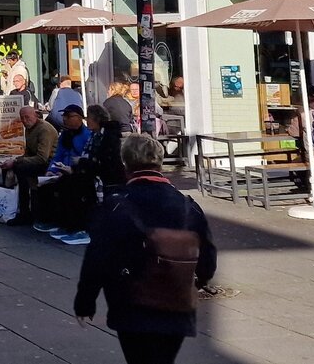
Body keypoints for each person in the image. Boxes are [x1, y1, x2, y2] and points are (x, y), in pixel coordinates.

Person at [75, 134, 217, 364]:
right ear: (159, 163)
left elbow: (97, 257)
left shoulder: (115, 205)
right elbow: (208, 259)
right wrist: (194, 281)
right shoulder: (187, 206)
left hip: (131, 305)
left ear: (126, 164)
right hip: (175, 303)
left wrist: (85, 301)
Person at [0, 104, 58, 225]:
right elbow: (27, 153)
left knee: (20, 169)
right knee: (10, 168)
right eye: (22, 118)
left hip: (48, 164)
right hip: (36, 161)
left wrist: (17, 161)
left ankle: (24, 212)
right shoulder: (29, 129)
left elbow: (42, 158)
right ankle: (8, 207)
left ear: (35, 116)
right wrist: (12, 161)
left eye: (28, 117)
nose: (25, 121)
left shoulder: (44, 129)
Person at [34, 104, 99, 241]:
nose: (65, 119)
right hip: (62, 170)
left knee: (68, 186)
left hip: (77, 173)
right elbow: (58, 155)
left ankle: (73, 225)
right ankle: (53, 220)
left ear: (80, 118)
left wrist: (70, 170)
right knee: (44, 184)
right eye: (64, 116)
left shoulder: (88, 135)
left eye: (69, 116)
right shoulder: (65, 135)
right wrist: (51, 170)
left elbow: (86, 158)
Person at [89, 104, 129, 198]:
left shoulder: (107, 136)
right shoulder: (95, 135)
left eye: (89, 117)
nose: (87, 121)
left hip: (110, 181)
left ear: (97, 119)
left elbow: (104, 159)